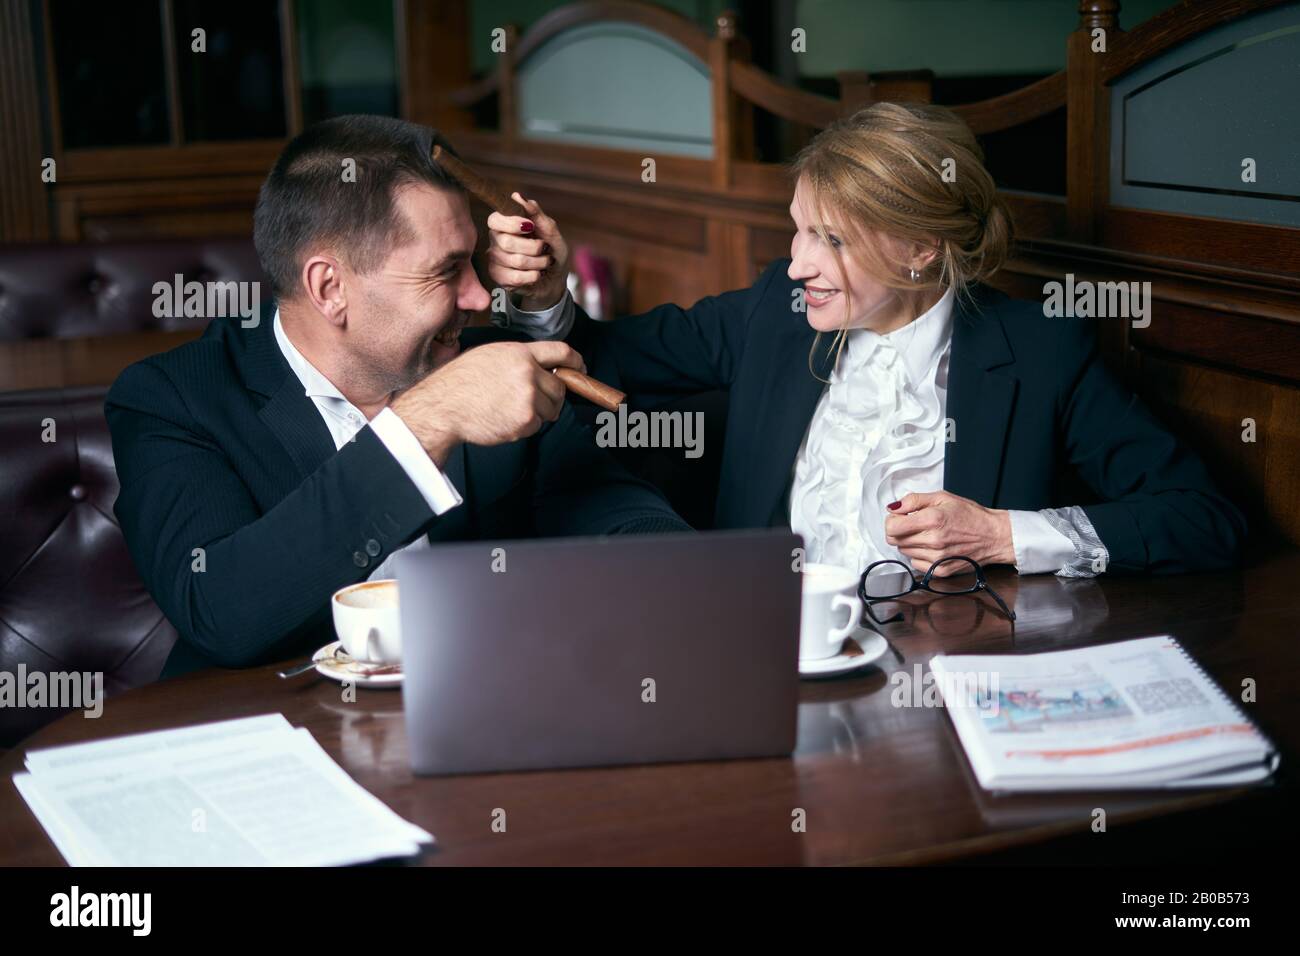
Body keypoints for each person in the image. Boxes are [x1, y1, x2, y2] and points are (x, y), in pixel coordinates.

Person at [488, 102, 1245, 580]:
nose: (798, 263)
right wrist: (545, 291)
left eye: (832, 240)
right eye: (798, 229)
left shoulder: (1042, 352)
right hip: (766, 658)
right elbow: (608, 355)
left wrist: (1000, 534)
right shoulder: (776, 310)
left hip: (951, 683)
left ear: (921, 249)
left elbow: (1203, 518)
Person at [107, 115, 690, 677]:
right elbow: (220, 612)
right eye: (447, 271)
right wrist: (427, 422)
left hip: (488, 712)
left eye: (473, 264)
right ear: (330, 288)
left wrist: (680, 593)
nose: (479, 298)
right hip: (273, 728)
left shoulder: (489, 367)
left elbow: (625, 520)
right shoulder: (170, 399)